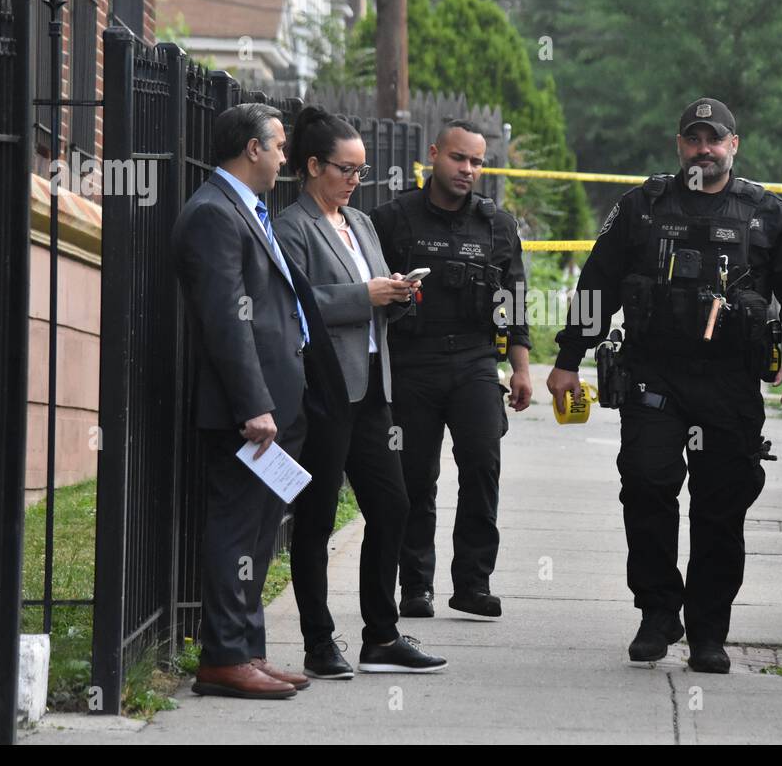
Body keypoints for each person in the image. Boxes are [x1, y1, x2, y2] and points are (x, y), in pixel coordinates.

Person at [547, 98, 782, 673]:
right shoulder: (643, 207)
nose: (704, 148)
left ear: (733, 145)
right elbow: (598, 282)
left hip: (729, 382)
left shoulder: (764, 213)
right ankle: (657, 610)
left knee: (721, 505)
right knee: (646, 485)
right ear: (679, 145)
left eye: (714, 139)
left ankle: (707, 631)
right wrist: (568, 356)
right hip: (654, 371)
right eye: (693, 139)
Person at [274, 106, 447, 676]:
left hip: (373, 384)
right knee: (317, 518)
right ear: (313, 166)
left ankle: (381, 634)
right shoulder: (291, 226)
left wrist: (396, 295)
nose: (354, 181)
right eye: (346, 170)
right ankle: (319, 642)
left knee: (392, 505)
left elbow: (370, 298)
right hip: (323, 390)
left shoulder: (363, 225)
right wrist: (363, 297)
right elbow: (293, 306)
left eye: (362, 171)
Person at [170, 103, 317, 699]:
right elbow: (227, 320)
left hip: (277, 404)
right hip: (246, 413)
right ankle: (225, 657)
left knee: (259, 533)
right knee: (236, 530)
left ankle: (248, 648)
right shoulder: (213, 213)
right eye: (279, 146)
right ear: (252, 149)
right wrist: (254, 404)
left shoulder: (246, 209)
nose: (285, 157)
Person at [370, 119, 533, 619]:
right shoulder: (392, 219)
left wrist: (521, 368)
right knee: (416, 477)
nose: (468, 169)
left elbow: (513, 301)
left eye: (477, 162)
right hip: (412, 360)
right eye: (459, 158)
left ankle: (472, 584)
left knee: (483, 467)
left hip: (474, 360)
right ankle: (415, 587)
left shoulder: (496, 225)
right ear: (434, 155)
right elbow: (368, 293)